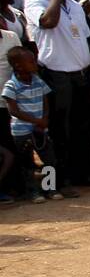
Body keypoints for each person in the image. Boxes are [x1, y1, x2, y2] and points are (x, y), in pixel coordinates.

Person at [24, 0, 90, 194]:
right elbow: (48, 21)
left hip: (80, 74)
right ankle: (55, 183)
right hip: (56, 75)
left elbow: (83, 38)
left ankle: (78, 175)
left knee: (80, 128)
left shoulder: (74, 4)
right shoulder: (34, 0)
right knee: (58, 131)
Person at [3, 43, 59, 202]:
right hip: (22, 131)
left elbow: (45, 101)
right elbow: (13, 111)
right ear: (18, 66)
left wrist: (45, 119)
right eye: (31, 62)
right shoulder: (11, 85)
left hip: (40, 128)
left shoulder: (38, 81)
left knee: (49, 159)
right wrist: (37, 121)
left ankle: (50, 189)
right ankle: (33, 192)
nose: (35, 64)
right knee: (28, 163)